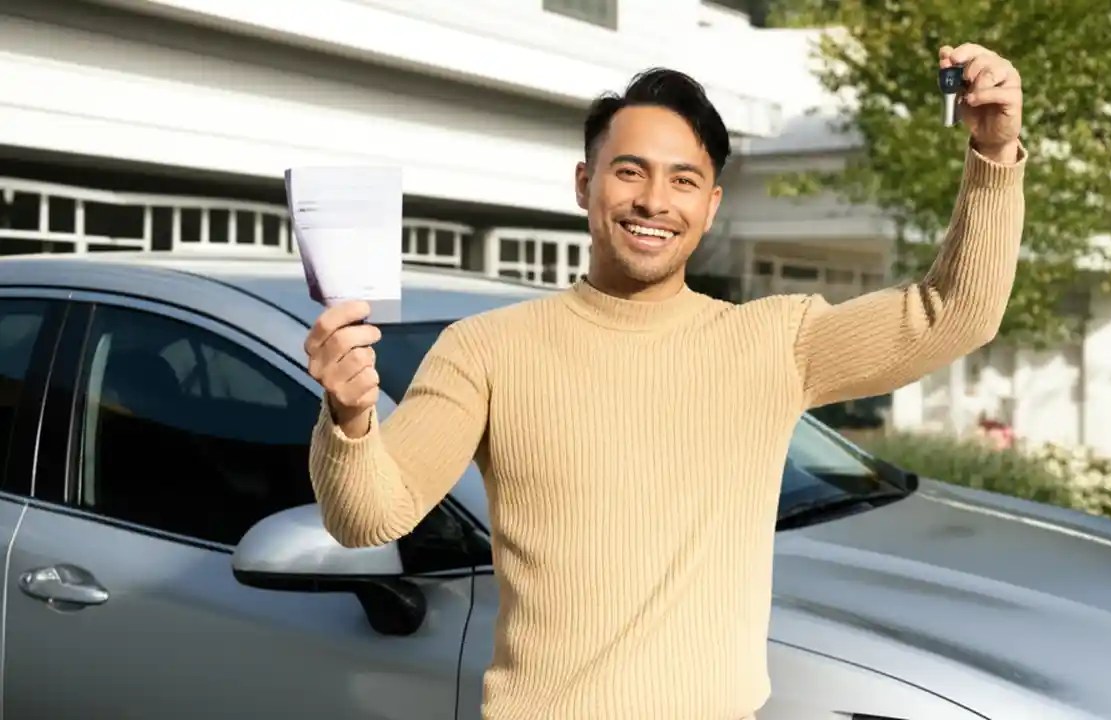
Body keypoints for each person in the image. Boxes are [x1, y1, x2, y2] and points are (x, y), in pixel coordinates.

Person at [304, 43, 1025, 720]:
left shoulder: (776, 341)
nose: (655, 200)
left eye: (684, 180)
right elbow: (369, 516)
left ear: (710, 206)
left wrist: (992, 153)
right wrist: (349, 415)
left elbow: (955, 312)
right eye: (630, 171)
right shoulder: (486, 349)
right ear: (585, 183)